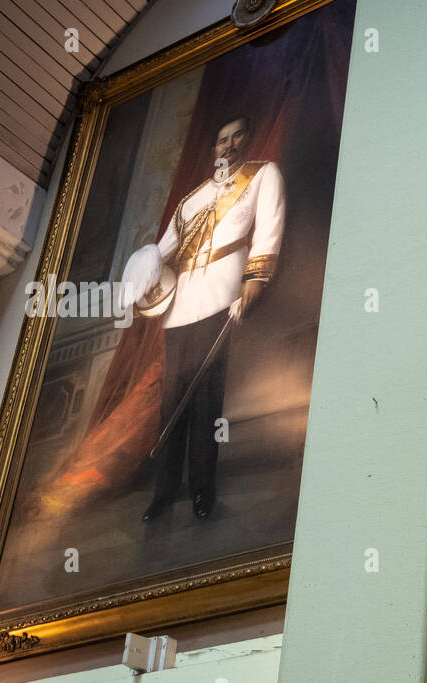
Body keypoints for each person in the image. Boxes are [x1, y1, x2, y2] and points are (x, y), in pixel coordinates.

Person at [127, 114, 286, 521]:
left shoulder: (262, 175)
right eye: (221, 140)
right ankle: (163, 493)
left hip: (221, 294)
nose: (228, 146)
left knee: (206, 401)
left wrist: (256, 277)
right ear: (213, 148)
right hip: (180, 304)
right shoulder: (190, 200)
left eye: (237, 137)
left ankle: (201, 489)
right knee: (172, 402)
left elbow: (268, 226)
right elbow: (162, 251)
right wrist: (135, 283)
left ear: (247, 140)